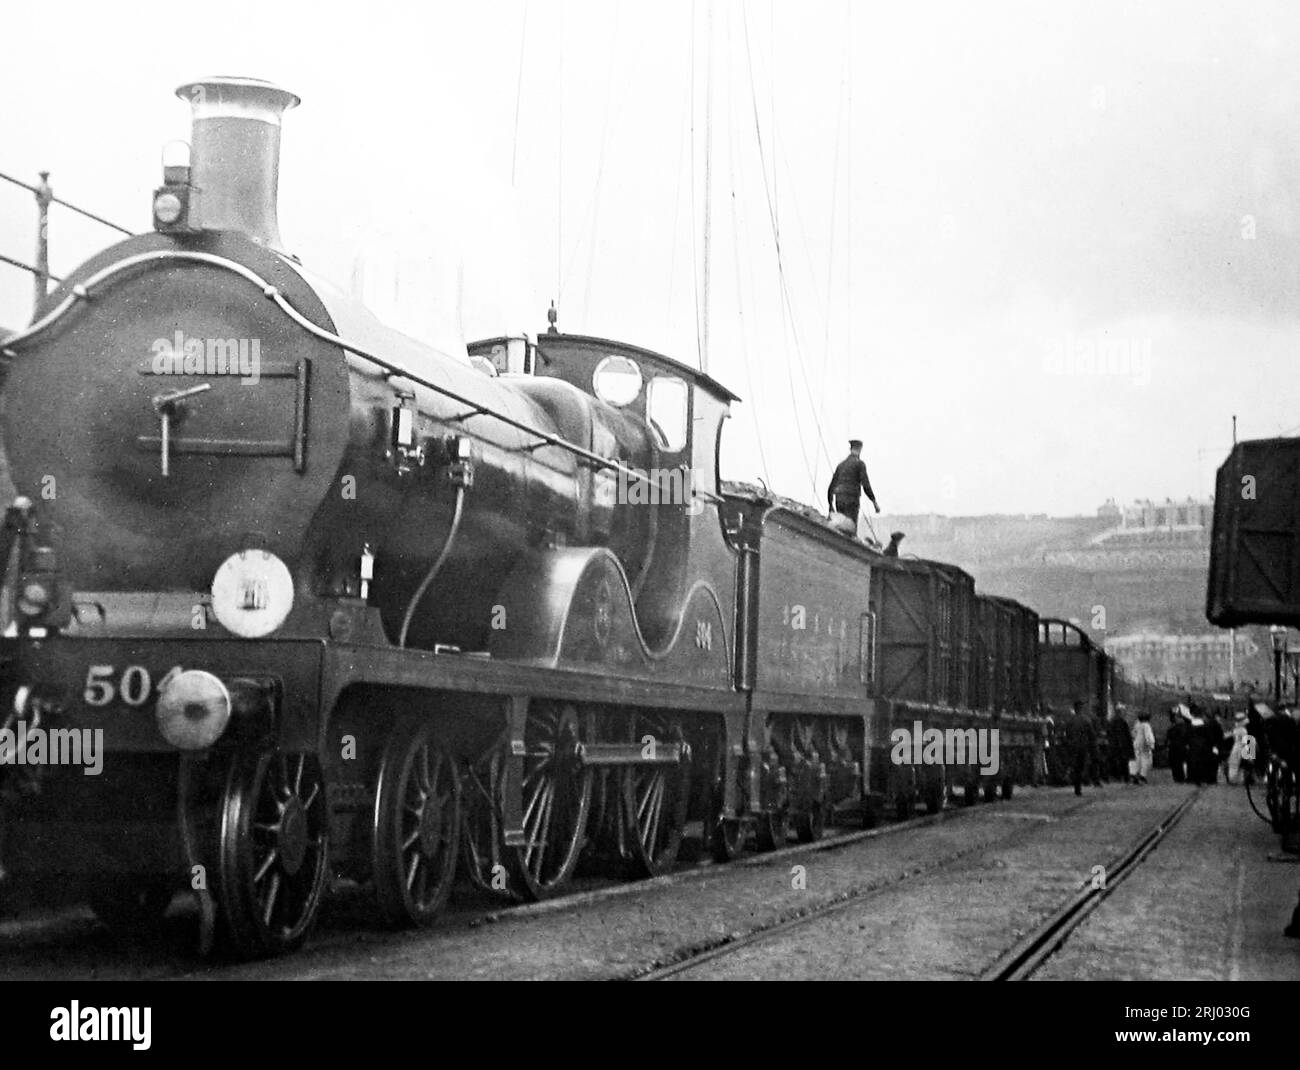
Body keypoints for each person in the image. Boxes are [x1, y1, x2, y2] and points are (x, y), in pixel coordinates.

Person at [827, 439, 880, 531]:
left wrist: (830, 505)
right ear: (860, 449)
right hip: (852, 501)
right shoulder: (860, 464)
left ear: (850, 449)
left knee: (840, 527)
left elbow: (831, 487)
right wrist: (874, 502)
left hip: (839, 499)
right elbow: (866, 485)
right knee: (851, 528)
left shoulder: (841, 465)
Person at [1063, 699, 1099, 796]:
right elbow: (1092, 734)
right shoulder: (1086, 720)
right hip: (1083, 746)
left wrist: (1068, 742)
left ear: (1074, 709)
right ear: (1081, 708)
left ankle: (1074, 782)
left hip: (1072, 746)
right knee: (1081, 766)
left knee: (1074, 765)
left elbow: (1066, 734)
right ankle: (1078, 787)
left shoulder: (1069, 720)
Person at [1107, 708, 1134, 782]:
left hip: (1115, 745)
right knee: (1124, 762)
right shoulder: (1123, 722)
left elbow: (1109, 733)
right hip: (1123, 744)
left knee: (1117, 761)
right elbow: (1127, 734)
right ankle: (1126, 777)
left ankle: (1118, 776)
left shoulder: (1112, 722)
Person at [1166, 706, 1189, 783]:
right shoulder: (1177, 726)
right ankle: (1179, 778)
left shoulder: (1180, 726)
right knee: (1177, 764)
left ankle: (1180, 778)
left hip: (1178, 747)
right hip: (1177, 747)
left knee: (1178, 764)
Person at [1131, 712, 1155, 784]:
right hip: (1144, 745)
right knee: (1146, 761)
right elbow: (1148, 736)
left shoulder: (1137, 725)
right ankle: (1142, 776)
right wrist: (1151, 744)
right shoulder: (1146, 725)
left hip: (1136, 744)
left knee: (1137, 761)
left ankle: (1135, 775)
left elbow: (1133, 734)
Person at [1226, 711, 1249, 785]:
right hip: (1241, 747)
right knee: (1241, 764)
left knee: (1234, 763)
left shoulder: (1235, 729)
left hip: (1235, 747)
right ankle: (1239, 779)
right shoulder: (1243, 730)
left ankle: (1232, 778)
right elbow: (1245, 741)